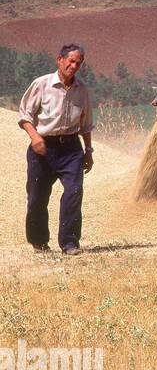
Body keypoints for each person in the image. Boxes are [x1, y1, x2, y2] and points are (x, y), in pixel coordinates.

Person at [17, 43, 95, 255]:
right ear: (59, 60)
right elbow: (24, 115)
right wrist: (35, 138)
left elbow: (85, 124)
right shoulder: (41, 85)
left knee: (74, 192)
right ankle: (39, 242)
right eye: (70, 60)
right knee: (37, 197)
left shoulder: (82, 90)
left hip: (71, 149)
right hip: (42, 148)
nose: (74, 65)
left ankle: (69, 243)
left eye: (78, 62)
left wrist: (88, 151)